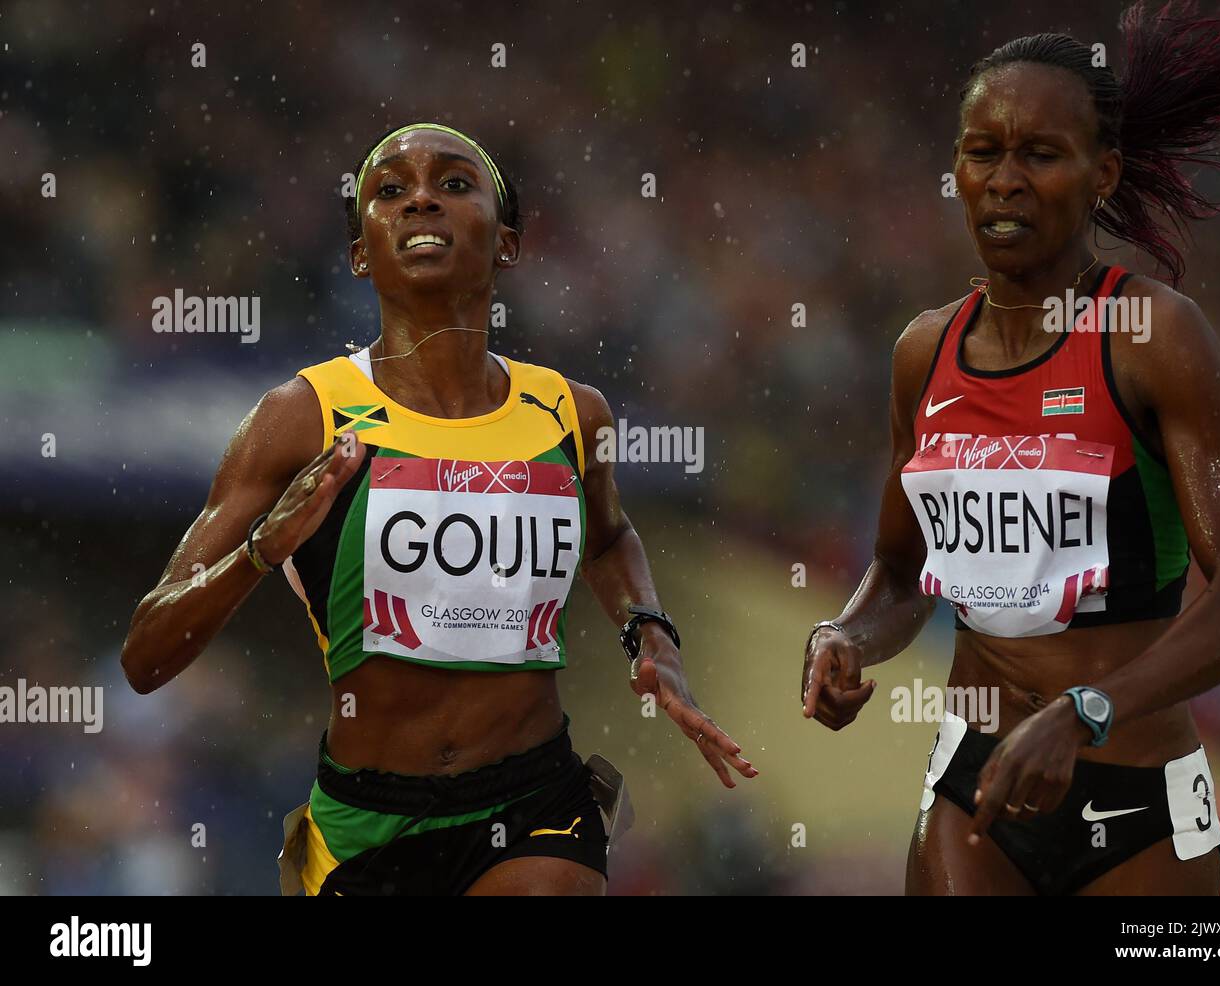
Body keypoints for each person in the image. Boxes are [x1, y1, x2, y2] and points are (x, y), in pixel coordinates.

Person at [122, 122, 756, 896]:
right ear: (361, 253)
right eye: (390, 192)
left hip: (535, 801)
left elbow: (610, 536)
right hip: (366, 821)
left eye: (454, 184)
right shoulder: (302, 415)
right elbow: (147, 654)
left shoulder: (570, 413)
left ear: (508, 243)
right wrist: (263, 546)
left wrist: (649, 635)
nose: (421, 197)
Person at [802, 4, 1220, 895]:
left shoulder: (1151, 337)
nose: (1005, 181)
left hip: (1140, 805)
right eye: (982, 153)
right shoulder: (926, 352)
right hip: (975, 794)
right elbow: (903, 574)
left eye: (1040, 154)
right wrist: (843, 635)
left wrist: (1086, 712)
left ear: (1102, 172)